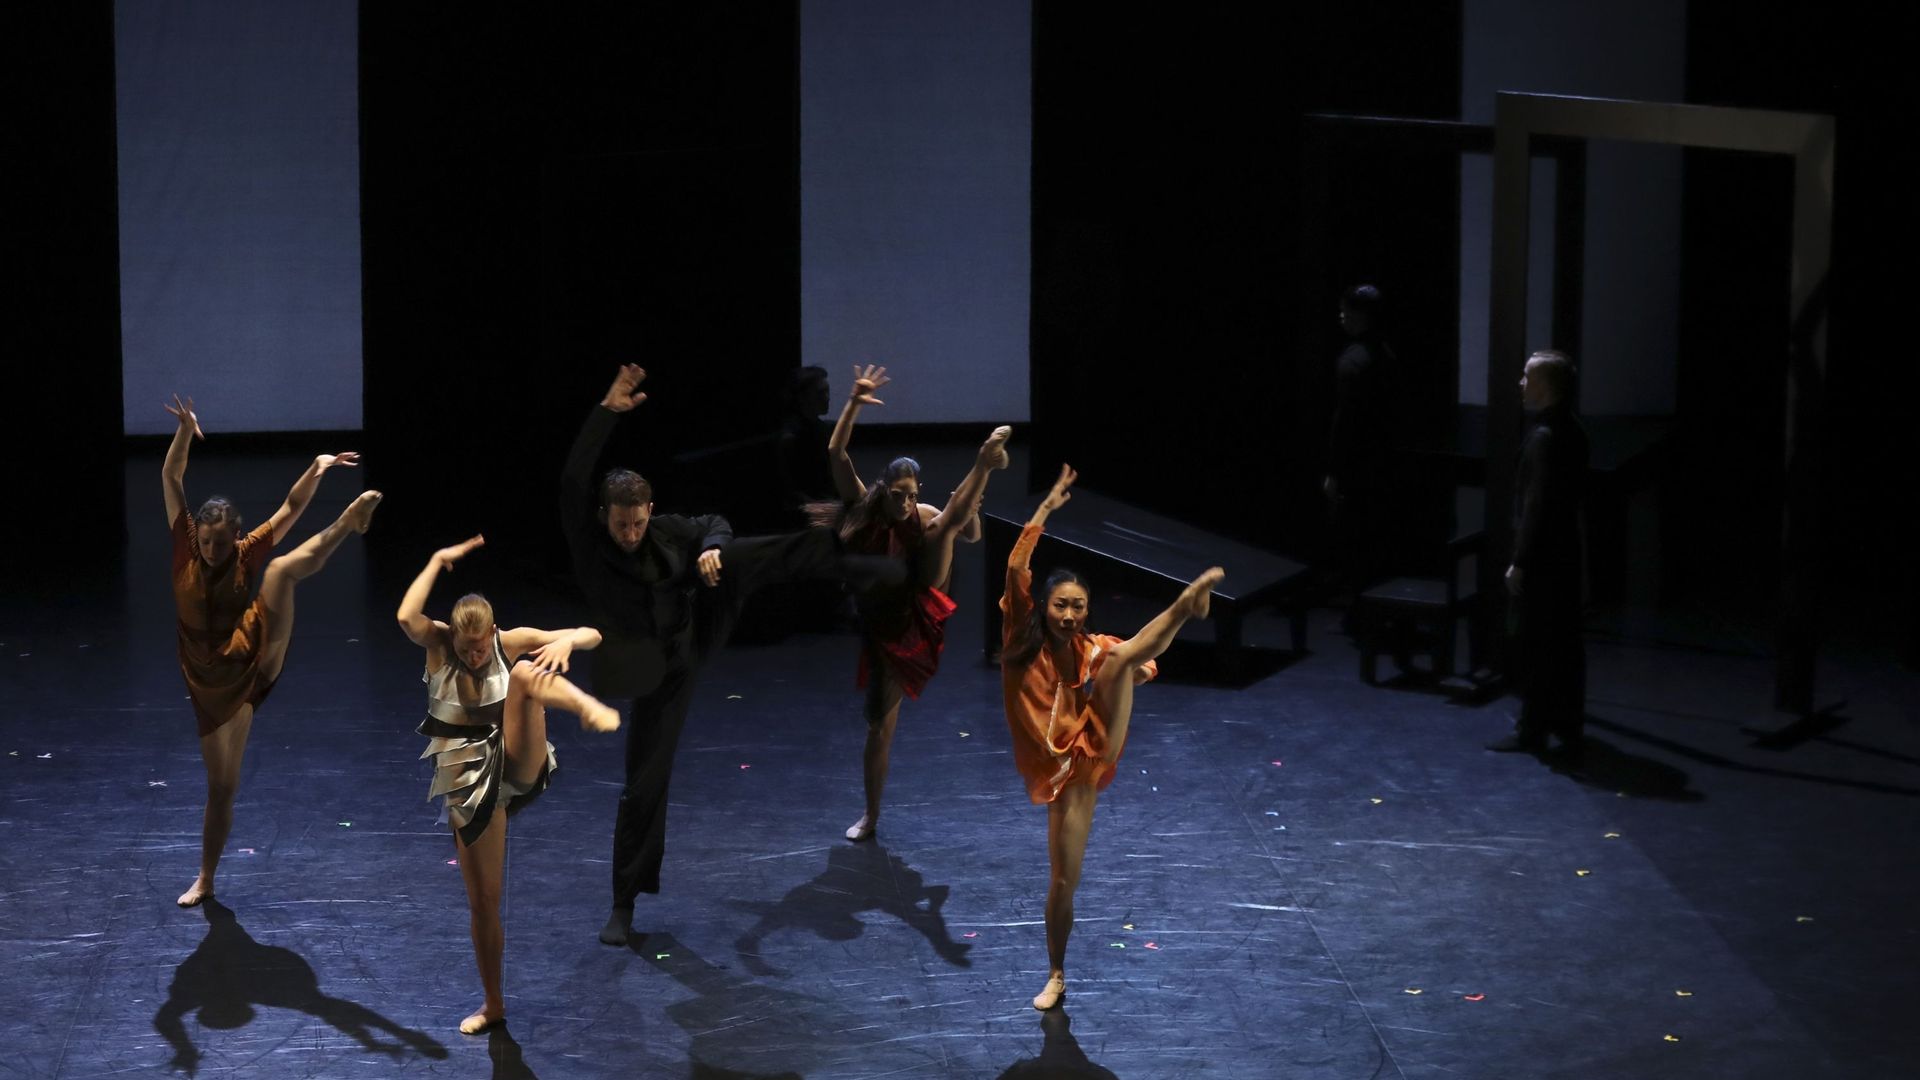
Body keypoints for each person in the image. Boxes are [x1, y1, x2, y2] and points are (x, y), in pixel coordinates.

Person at [563, 364, 903, 946]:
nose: (630, 533)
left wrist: (714, 548)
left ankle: (859, 569)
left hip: (699, 627)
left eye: (638, 523)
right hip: (655, 670)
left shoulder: (663, 529)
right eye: (622, 524)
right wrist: (606, 413)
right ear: (605, 518)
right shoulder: (593, 543)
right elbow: (573, 480)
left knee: (743, 556)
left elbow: (712, 522)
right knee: (644, 782)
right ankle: (623, 904)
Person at [1001, 464, 1224, 1010]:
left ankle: (1183, 605)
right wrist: (1047, 509)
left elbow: (1138, 656)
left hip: (1093, 746)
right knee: (1062, 883)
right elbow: (1014, 565)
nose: (1071, 615)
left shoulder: (1091, 647)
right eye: (1061, 605)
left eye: (1079, 606)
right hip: (1058, 770)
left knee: (1122, 657)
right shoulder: (1020, 639)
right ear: (1043, 607)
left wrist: (1133, 664)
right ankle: (1056, 972)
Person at [161, 394, 380, 908]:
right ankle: (207, 878)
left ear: (235, 535)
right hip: (205, 681)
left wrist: (317, 467)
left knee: (282, 571)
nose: (213, 551)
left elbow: (290, 508)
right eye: (208, 542)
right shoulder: (184, 546)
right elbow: (172, 478)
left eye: (221, 542)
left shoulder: (245, 552)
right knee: (222, 788)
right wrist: (186, 430)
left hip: (251, 657)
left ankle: (348, 523)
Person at [395, 535, 621, 1034]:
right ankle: (493, 1003)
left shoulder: (508, 641)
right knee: (484, 903)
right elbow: (407, 617)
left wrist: (566, 641)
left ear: (492, 632)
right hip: (467, 785)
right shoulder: (437, 646)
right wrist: (435, 559)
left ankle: (585, 706)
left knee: (522, 674)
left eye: (480, 647)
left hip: (518, 761)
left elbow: (593, 634)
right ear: (451, 636)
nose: (474, 656)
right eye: (466, 647)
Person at [811, 364, 1007, 843]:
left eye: (911, 495)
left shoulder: (924, 515)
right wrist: (855, 403)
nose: (904, 503)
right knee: (879, 726)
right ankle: (872, 814)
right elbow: (837, 452)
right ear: (884, 489)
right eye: (898, 495)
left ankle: (982, 459)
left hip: (913, 613)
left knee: (941, 527)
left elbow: (969, 529)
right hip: (880, 620)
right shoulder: (864, 504)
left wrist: (974, 495)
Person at [1487, 350, 1590, 759]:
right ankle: (1566, 723)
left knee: (1537, 644)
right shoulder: (1573, 430)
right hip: (1564, 555)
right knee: (1562, 642)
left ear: (1545, 386)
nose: (1521, 383)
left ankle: (1534, 729)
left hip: (1544, 560)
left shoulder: (1545, 436)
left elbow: (1536, 504)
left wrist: (1521, 559)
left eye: (1527, 377)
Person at [1324, 284, 1400, 625]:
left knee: (1353, 539)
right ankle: (1372, 606)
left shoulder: (1354, 361)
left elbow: (1345, 422)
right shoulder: (1385, 354)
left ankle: (1361, 609)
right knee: (1374, 538)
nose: (1341, 316)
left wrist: (1335, 471)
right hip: (1382, 463)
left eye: (1345, 310)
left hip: (1358, 468)